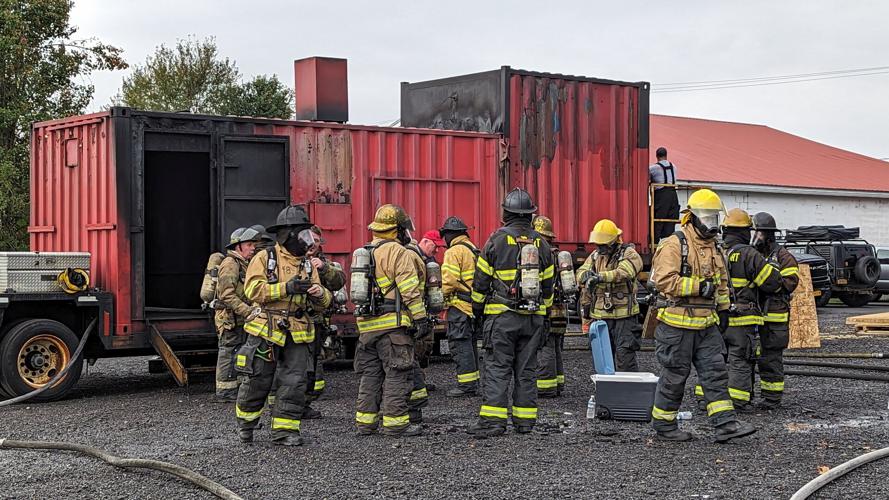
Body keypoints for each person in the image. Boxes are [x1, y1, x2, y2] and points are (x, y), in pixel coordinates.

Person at [648, 189, 755, 442]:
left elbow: (721, 283)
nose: (712, 225)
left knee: (715, 373)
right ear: (692, 218)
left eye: (714, 220)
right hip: (676, 326)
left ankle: (725, 425)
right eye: (707, 219)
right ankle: (664, 426)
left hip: (706, 325)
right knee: (674, 377)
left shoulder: (715, 247)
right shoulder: (674, 244)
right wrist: (698, 287)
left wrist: (724, 309)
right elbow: (663, 281)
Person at [234, 205, 332, 446]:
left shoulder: (308, 263)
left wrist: (319, 293)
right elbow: (252, 290)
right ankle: (246, 425)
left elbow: (323, 303)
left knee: (295, 382)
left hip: (298, 331)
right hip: (266, 329)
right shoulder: (265, 258)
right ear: (288, 234)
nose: (307, 241)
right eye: (303, 234)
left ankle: (285, 430)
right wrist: (286, 288)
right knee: (257, 379)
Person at [469, 188, 554, 438]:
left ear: (505, 213)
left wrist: (476, 311)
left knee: (497, 369)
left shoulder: (496, 240)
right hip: (533, 318)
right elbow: (548, 286)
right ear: (530, 215)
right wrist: (544, 315)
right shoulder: (542, 243)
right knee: (526, 370)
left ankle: (494, 423)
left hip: (502, 318)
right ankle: (524, 422)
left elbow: (480, 282)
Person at [353, 204, 427, 437]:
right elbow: (409, 289)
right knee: (398, 372)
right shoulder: (399, 253)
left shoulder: (364, 252)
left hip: (367, 327)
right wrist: (420, 318)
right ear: (397, 230)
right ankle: (395, 424)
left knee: (371, 375)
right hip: (392, 326)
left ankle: (365, 423)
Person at [715, 209, 783, 410]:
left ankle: (706, 399)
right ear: (745, 231)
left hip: (717, 317)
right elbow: (771, 283)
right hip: (742, 319)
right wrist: (773, 268)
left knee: (714, 360)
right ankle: (737, 400)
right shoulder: (748, 254)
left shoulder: (715, 251)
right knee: (740, 358)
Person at [576, 219, 643, 372]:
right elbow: (580, 272)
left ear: (613, 242)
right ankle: (607, 393)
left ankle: (627, 394)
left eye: (602, 245)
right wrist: (584, 275)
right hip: (601, 318)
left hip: (624, 318)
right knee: (603, 362)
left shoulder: (629, 253)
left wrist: (599, 277)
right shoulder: (595, 256)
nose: (599, 248)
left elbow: (624, 273)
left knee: (625, 359)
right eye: (597, 245)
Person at [751, 211, 799, 409]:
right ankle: (753, 395)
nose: (755, 237)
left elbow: (791, 281)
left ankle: (772, 398)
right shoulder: (752, 254)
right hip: (755, 315)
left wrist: (770, 284)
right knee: (751, 356)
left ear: (767, 234)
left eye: (758, 233)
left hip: (775, 316)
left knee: (771, 358)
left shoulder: (783, 255)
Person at [212, 227, 263, 402]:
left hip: (240, 318)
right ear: (238, 246)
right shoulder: (230, 264)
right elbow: (226, 294)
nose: (253, 248)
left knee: (240, 350)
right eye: (249, 244)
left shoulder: (243, 263)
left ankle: (237, 387)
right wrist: (247, 311)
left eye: (253, 245)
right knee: (228, 351)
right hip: (230, 319)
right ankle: (225, 391)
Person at [302, 225, 346, 419]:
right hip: (294, 320)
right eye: (309, 240)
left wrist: (324, 268)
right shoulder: (291, 259)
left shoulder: (325, 263)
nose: (312, 244)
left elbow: (340, 281)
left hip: (317, 321)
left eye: (317, 241)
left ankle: (305, 401)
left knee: (312, 362)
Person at [439, 216, 481, 398]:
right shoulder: (473, 249)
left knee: (459, 344)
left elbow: (449, 281)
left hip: (459, 306)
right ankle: (473, 381)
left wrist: (437, 299)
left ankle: (467, 386)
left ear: (450, 234)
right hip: (472, 306)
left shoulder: (454, 251)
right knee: (470, 344)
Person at [532, 215, 567, 397]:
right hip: (560, 308)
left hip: (548, 307)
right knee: (555, 347)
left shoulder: (540, 255)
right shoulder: (557, 254)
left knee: (545, 345)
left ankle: (545, 387)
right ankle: (558, 383)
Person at [650, 147, 680, 244]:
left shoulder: (653, 168)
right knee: (670, 222)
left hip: (662, 198)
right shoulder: (674, 167)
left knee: (657, 222)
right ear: (666, 155)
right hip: (673, 196)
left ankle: (654, 243)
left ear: (656, 156)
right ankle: (669, 244)